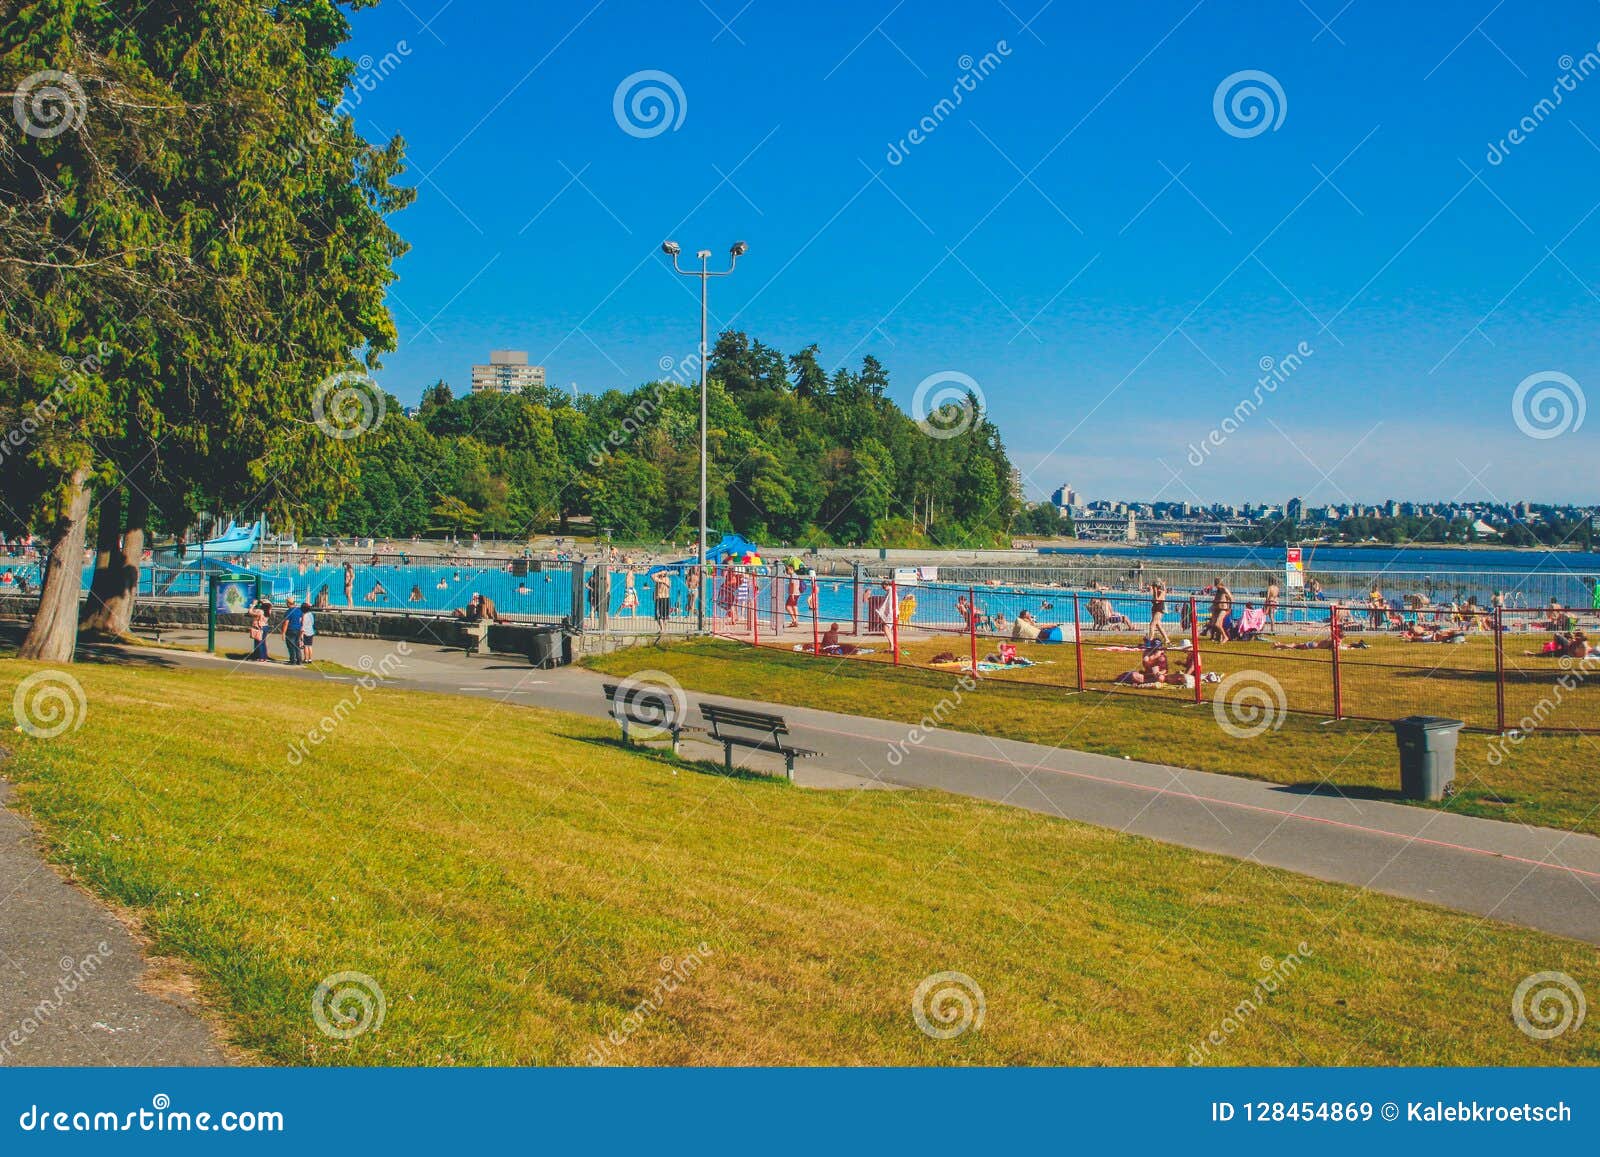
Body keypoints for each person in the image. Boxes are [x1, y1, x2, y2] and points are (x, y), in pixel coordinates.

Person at [1203, 579, 1233, 643]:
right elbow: (1217, 600)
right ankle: (1219, 638)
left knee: (1217, 624)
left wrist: (1229, 607)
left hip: (1223, 609)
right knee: (1214, 624)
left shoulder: (1224, 589)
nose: (1215, 585)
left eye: (1216, 584)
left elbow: (1231, 598)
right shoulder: (1218, 591)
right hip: (1217, 609)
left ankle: (1225, 637)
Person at [281, 595, 306, 665]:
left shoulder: (289, 612)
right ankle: (299, 660)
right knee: (297, 645)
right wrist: (301, 628)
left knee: (291, 646)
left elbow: (286, 623)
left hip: (290, 630)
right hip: (298, 629)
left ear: (288, 603)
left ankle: (293, 660)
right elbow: (302, 620)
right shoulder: (299, 610)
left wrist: (283, 633)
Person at [1148, 579, 1170, 645]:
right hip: (1154, 608)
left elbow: (1157, 601)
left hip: (1159, 610)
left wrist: (1155, 591)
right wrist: (1154, 591)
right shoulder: (1156, 592)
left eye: (1154, 586)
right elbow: (1154, 600)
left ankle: (1150, 640)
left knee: (1152, 624)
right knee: (1158, 625)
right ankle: (1167, 639)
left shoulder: (1162, 592)